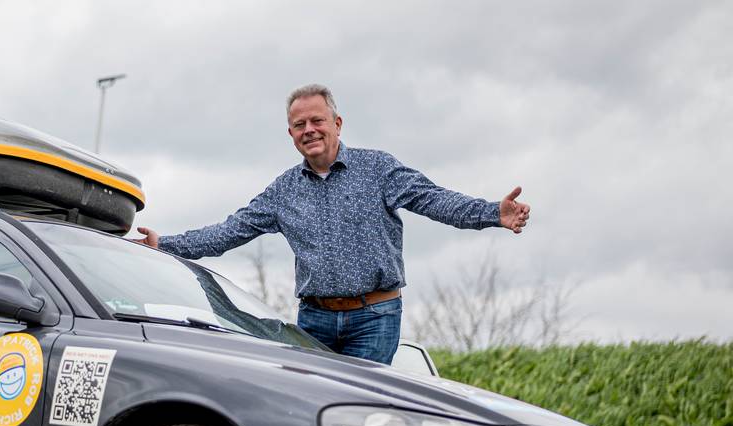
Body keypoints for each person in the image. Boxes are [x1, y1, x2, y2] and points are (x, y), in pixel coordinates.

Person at [135, 84, 530, 364]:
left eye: (317, 121)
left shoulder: (379, 169)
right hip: (314, 320)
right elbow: (229, 231)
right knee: (311, 415)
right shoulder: (283, 191)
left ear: (337, 123)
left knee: (361, 414)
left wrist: (493, 213)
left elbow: (433, 199)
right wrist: (165, 245)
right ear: (290, 134)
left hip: (373, 318)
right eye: (299, 125)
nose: (309, 130)